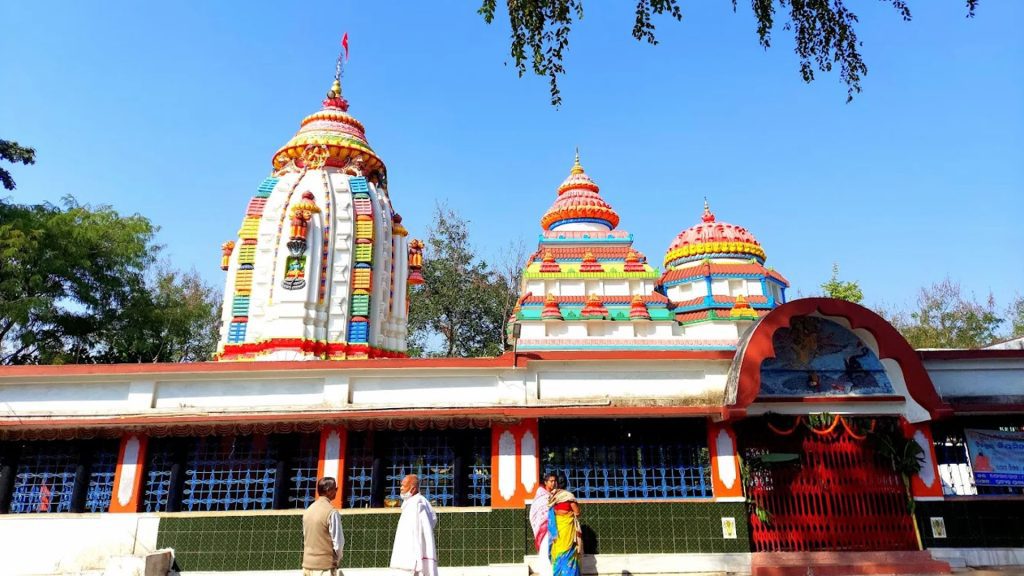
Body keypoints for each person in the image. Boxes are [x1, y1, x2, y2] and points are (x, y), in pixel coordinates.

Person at [389, 474, 439, 576]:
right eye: (401, 485)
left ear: (412, 489)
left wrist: (418, 554)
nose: (401, 488)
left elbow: (422, 529)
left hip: (416, 554)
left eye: (403, 485)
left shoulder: (418, 503)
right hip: (407, 553)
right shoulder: (410, 503)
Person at [302, 477, 345, 576]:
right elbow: (338, 542)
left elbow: (306, 537)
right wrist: (337, 560)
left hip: (307, 566)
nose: (336, 491)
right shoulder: (332, 512)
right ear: (328, 491)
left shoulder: (308, 511)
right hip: (325, 567)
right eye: (335, 488)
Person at [548, 475, 582, 576]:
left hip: (556, 531)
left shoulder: (553, 497)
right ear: (566, 483)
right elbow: (577, 512)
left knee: (558, 550)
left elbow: (551, 512)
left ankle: (558, 573)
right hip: (567, 530)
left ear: (557, 483)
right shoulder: (569, 496)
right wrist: (569, 514)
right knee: (568, 550)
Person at [529, 473, 557, 576]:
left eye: (554, 481)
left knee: (553, 549)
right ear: (545, 482)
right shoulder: (541, 494)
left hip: (554, 527)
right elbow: (536, 510)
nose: (553, 483)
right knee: (545, 549)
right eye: (551, 481)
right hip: (543, 528)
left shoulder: (555, 494)